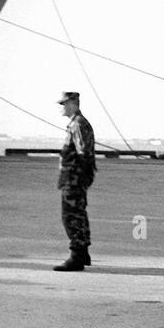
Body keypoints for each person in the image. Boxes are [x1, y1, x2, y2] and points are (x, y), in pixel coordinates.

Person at [54, 92, 96, 271]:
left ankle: (77, 256)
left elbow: (84, 153)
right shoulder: (76, 123)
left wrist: (79, 177)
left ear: (72, 104)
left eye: (63, 104)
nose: (61, 107)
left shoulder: (78, 124)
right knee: (78, 213)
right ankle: (83, 253)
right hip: (74, 177)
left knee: (71, 216)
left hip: (74, 178)